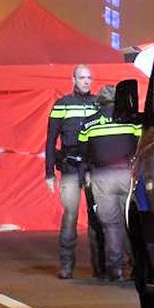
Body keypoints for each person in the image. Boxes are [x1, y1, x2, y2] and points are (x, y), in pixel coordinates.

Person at [45, 64, 103, 279]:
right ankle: (67, 266)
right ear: (73, 79)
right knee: (70, 216)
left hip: (92, 167)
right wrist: (49, 172)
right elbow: (50, 141)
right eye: (82, 77)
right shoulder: (62, 105)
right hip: (70, 167)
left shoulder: (99, 104)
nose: (86, 81)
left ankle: (100, 267)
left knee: (96, 216)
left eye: (89, 78)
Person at [78, 85, 141, 281]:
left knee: (112, 225)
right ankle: (137, 267)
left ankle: (115, 271)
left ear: (100, 101)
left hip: (101, 177)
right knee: (132, 223)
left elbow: (82, 153)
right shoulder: (132, 122)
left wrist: (84, 177)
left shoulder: (88, 124)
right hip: (128, 175)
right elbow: (141, 145)